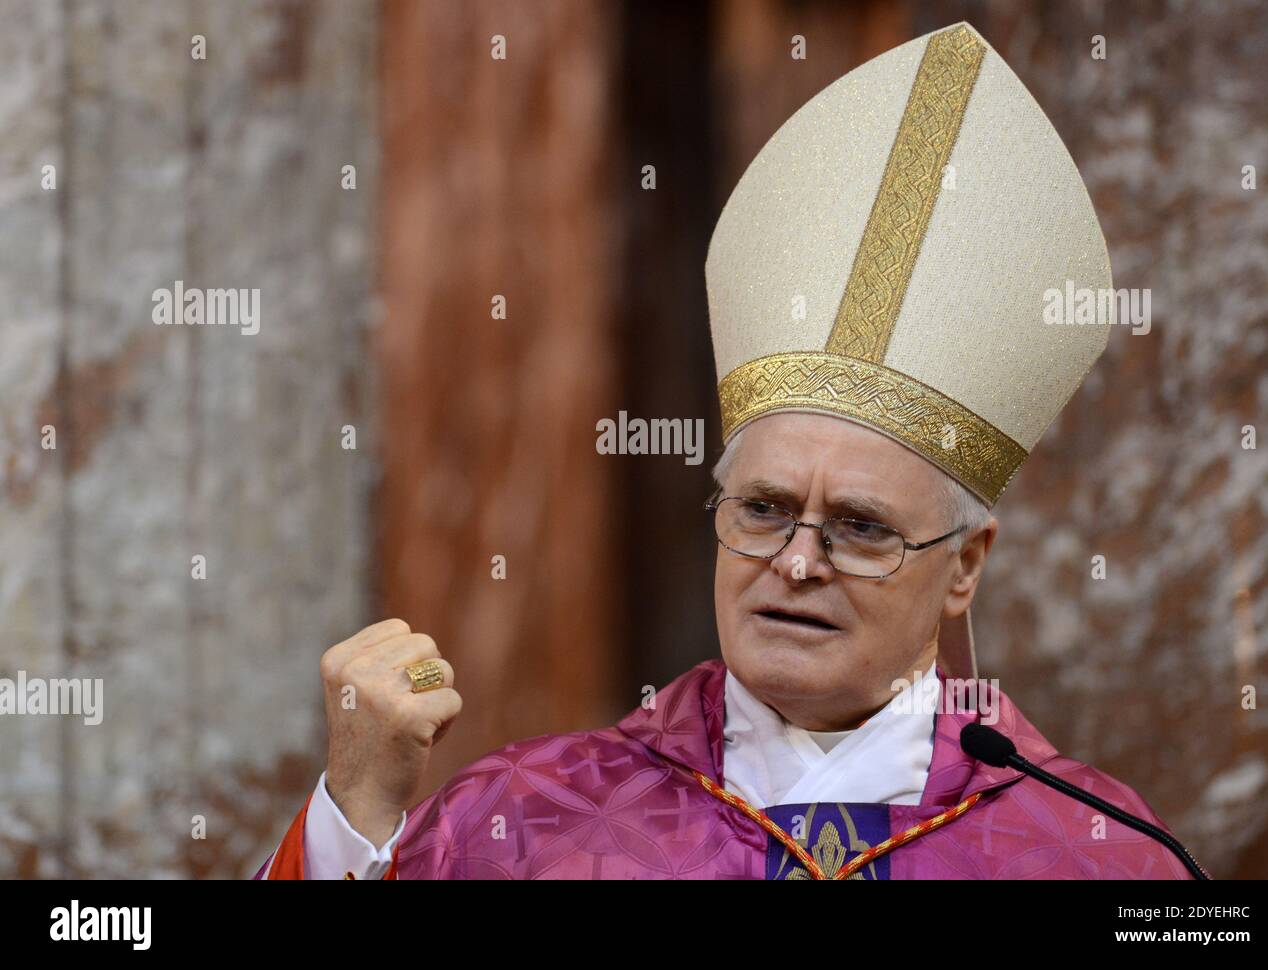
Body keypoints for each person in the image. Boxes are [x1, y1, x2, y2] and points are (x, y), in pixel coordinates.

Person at [256, 22, 1200, 880]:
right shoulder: (524, 822)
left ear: (965, 565)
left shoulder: (1095, 855)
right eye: (763, 509)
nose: (795, 563)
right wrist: (358, 816)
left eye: (861, 529)